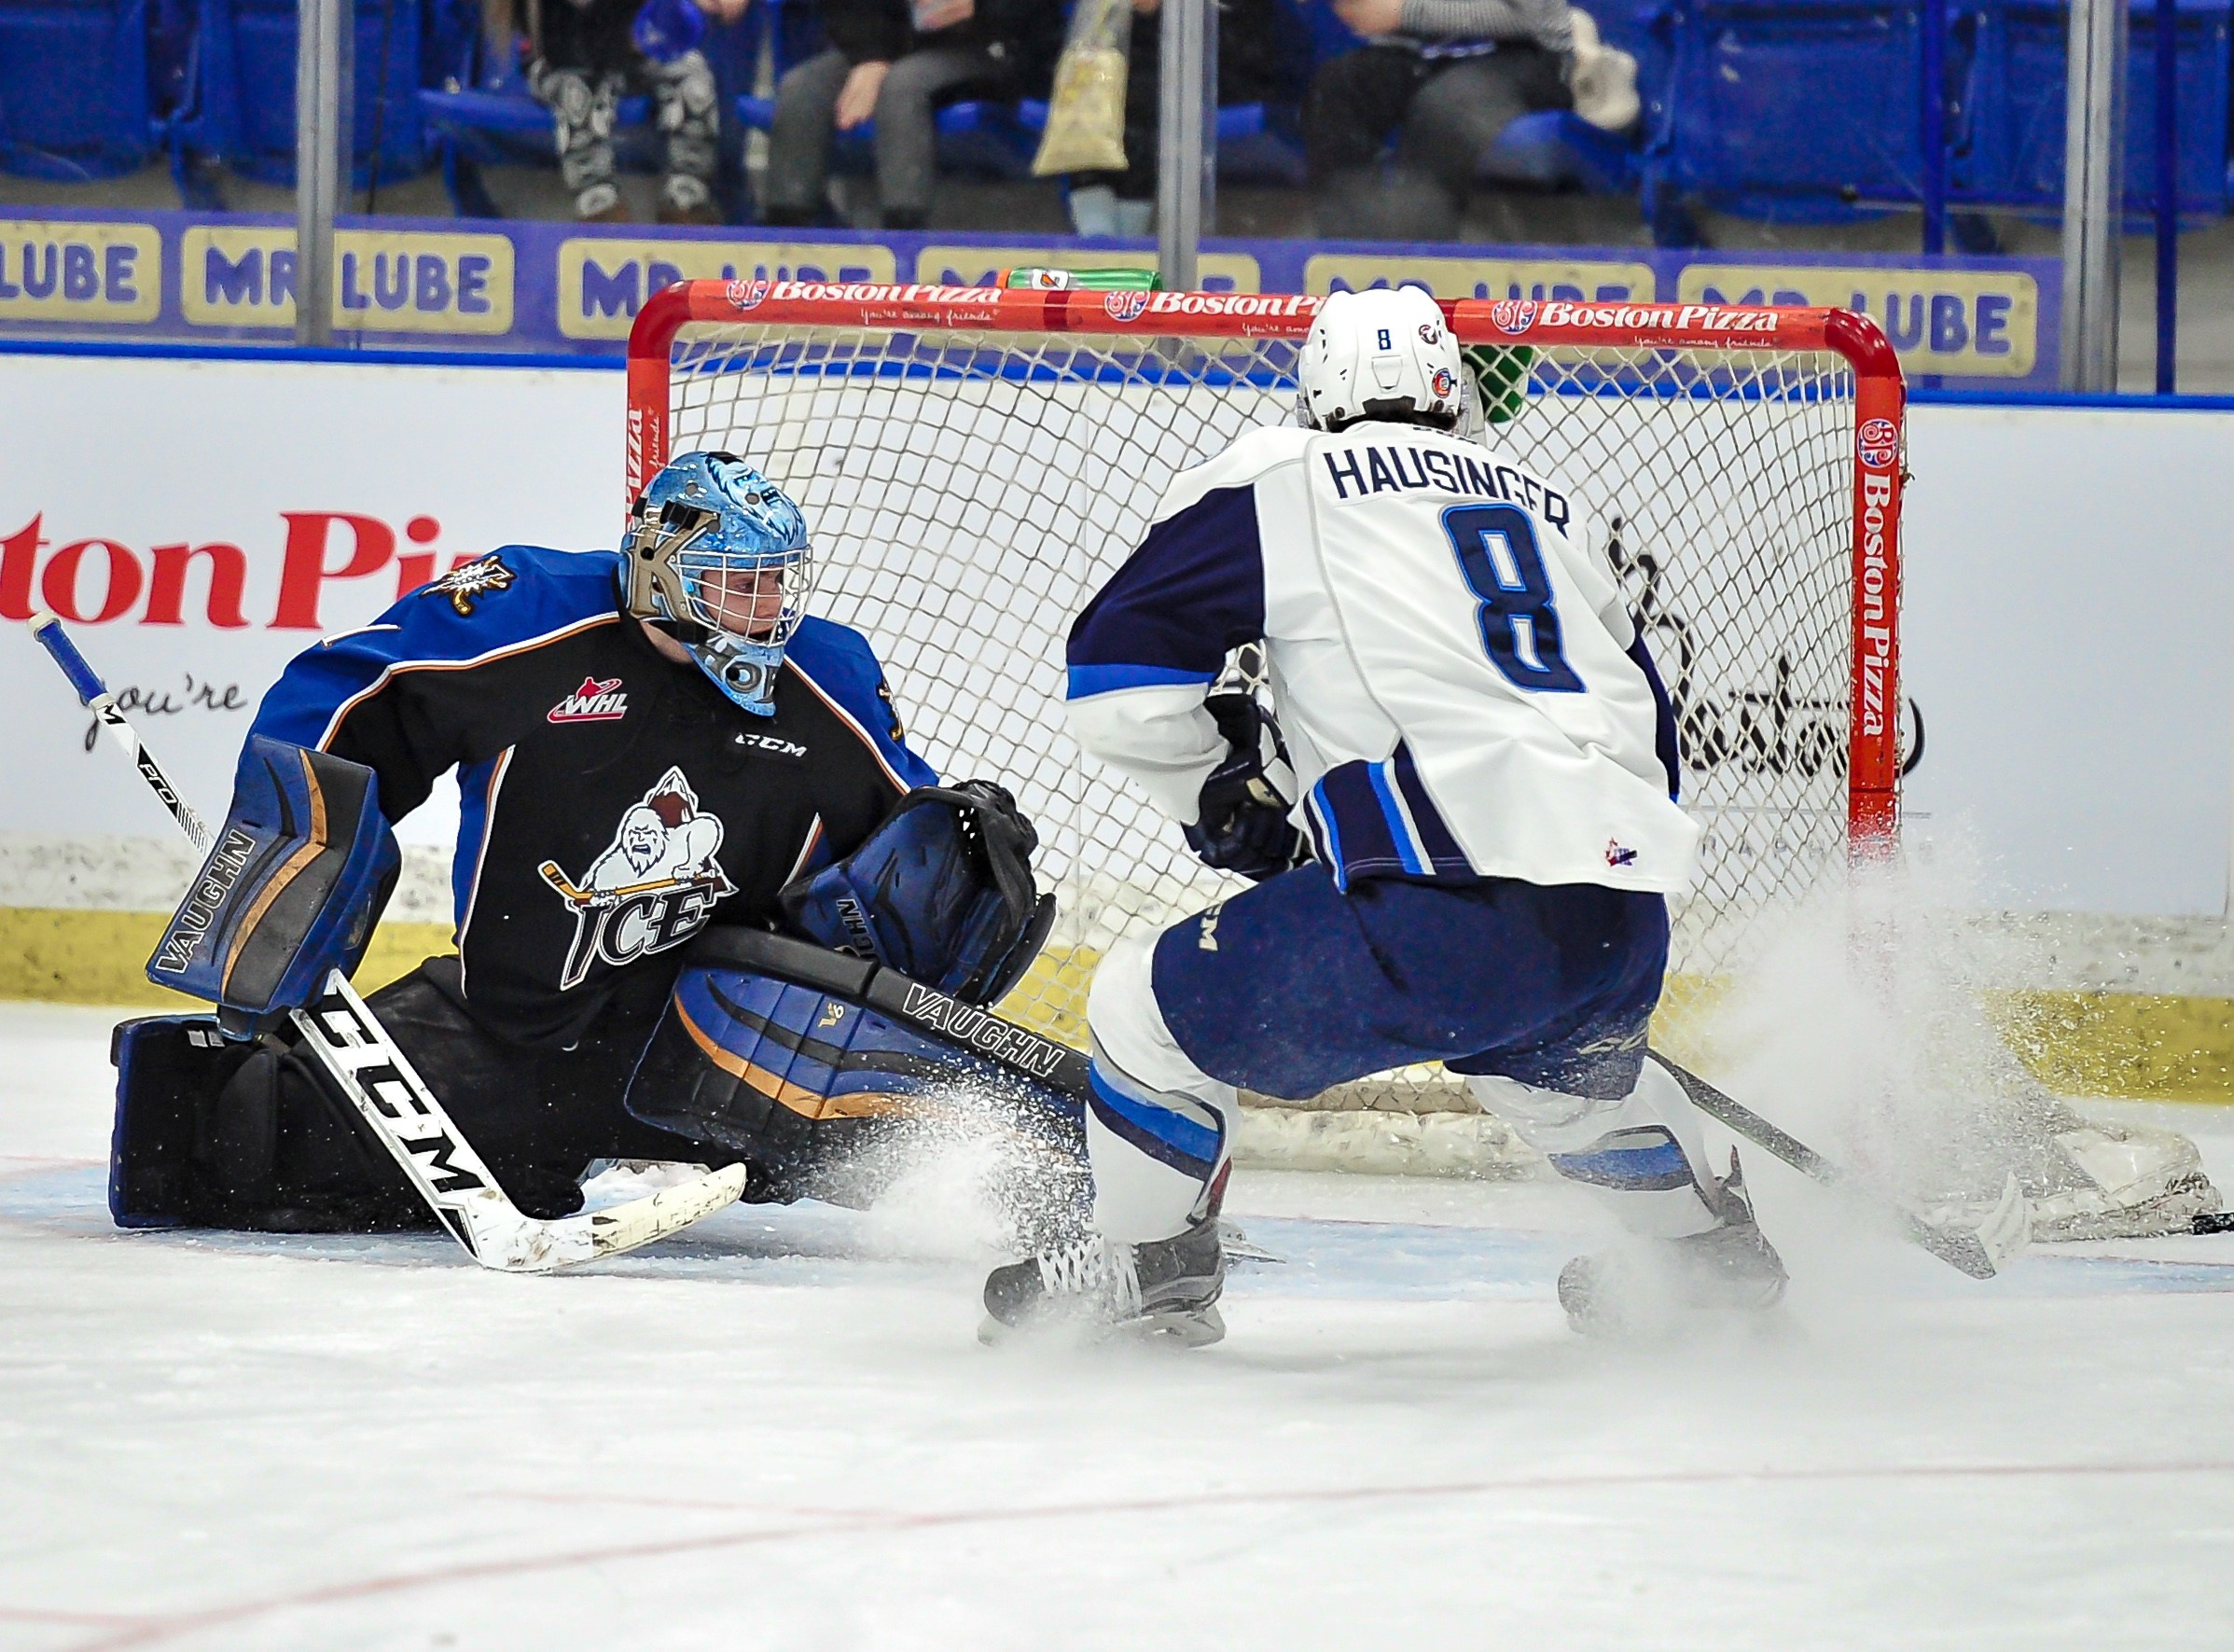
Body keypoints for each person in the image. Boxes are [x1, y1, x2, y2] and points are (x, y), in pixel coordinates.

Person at [978, 285, 1790, 1344]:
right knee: (1559, 1075)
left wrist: (1222, 793)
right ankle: (1703, 1256)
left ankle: (1148, 1269)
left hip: (1443, 908)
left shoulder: (1280, 475)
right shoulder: (1549, 505)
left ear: (1316, 391)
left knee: (1139, 1007)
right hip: (1620, 915)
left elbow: (1117, 681)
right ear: (1449, 392)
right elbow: (1650, 725)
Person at [114, 453, 1064, 1236]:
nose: (766, 607)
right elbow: (345, 699)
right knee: (232, 1142)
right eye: (736, 584)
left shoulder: (827, 674)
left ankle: (1103, 1193)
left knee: (979, 1157)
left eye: (777, 582)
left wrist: (951, 869)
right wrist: (291, 863)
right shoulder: (534, 611)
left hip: (718, 1043)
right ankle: (513, 1139)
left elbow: (903, 842)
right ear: (659, 570)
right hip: (514, 1027)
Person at [762, 0, 1061, 229]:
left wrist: (981, 8)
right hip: (888, 46)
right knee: (801, 89)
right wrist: (871, 55)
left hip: (989, 48)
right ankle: (782, 240)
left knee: (903, 87)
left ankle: (903, 239)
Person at [1303, 0, 1583, 242]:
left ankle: (1422, 265)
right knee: (1336, 91)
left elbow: (1524, 17)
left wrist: (1405, 13)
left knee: (1446, 107)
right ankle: (1348, 257)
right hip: (1417, 52)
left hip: (1521, 53)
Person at [1062, 0, 1286, 239]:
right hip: (1120, 92)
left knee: (1140, 100)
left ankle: (1113, 240)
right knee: (1105, 99)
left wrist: (1165, 12)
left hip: (1213, 81)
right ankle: (1103, 237)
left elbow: (1247, 46)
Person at [524, 0, 740, 224]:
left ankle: (687, 201)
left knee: (693, 79)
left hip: (636, 46)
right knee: (578, 93)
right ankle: (599, 209)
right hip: (564, 53)